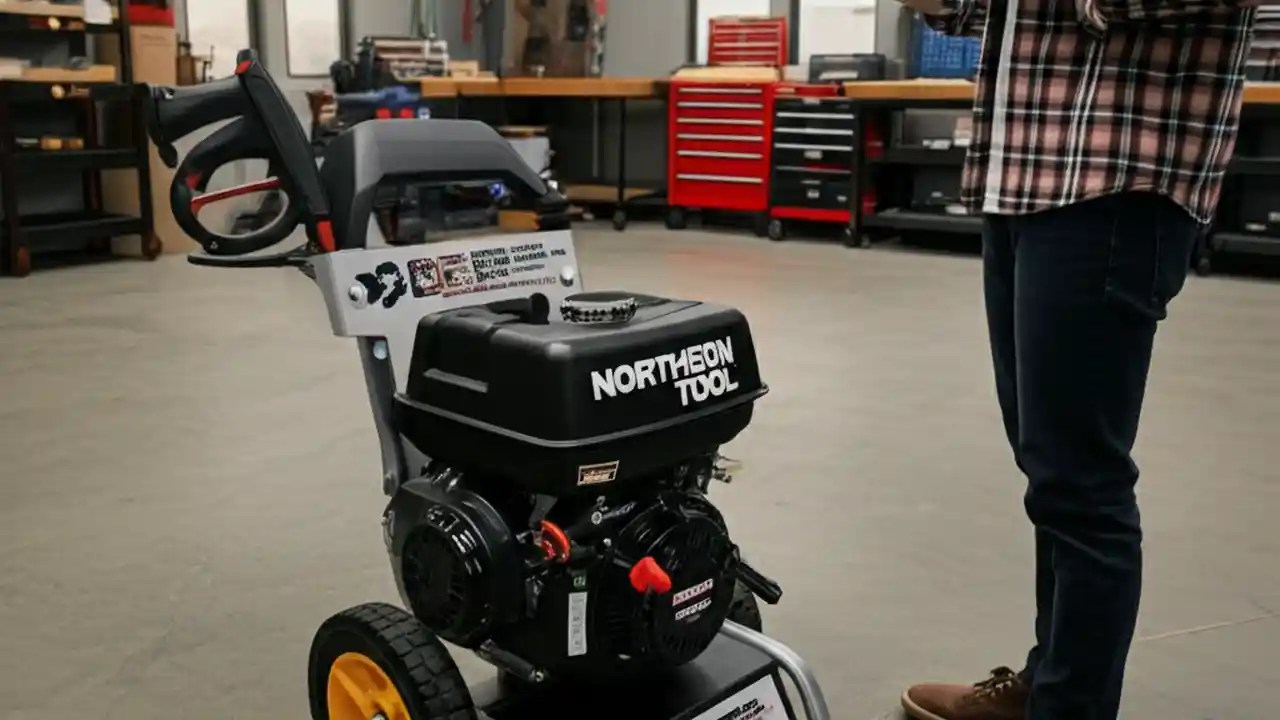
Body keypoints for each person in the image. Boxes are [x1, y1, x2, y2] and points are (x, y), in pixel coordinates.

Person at [891, 2, 1270, 719]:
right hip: (1026, 177)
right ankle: (1050, 680)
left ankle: (1069, 707)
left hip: (1117, 183)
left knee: (1082, 484)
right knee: (1052, 470)